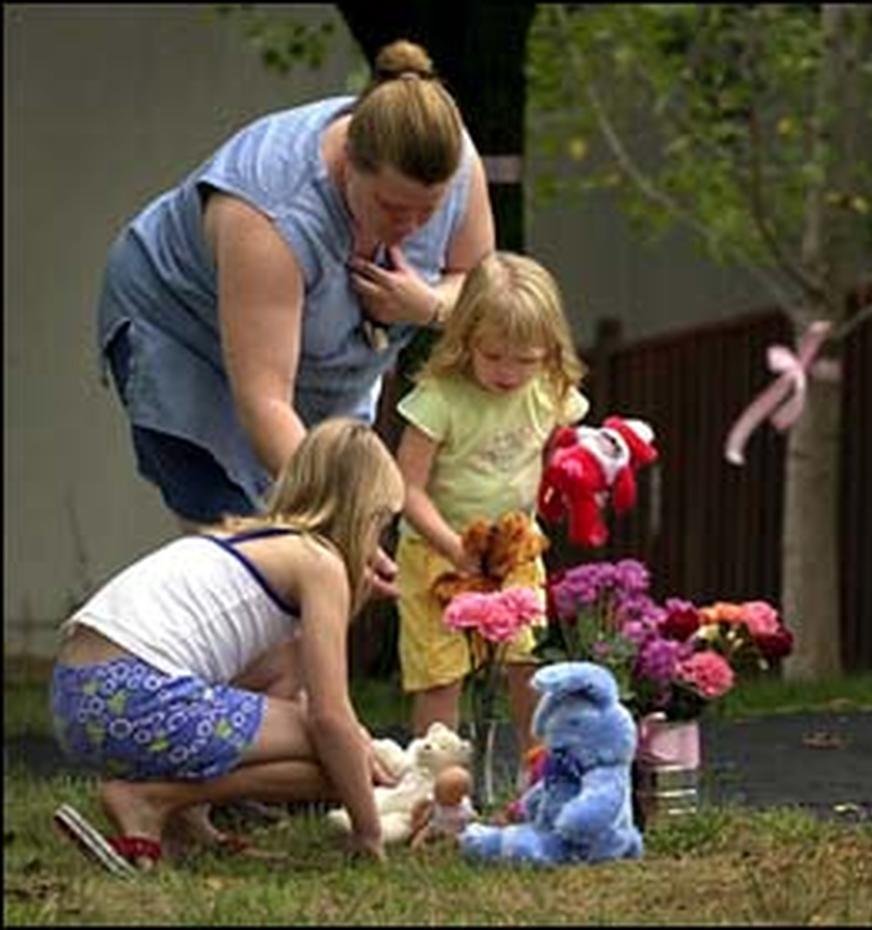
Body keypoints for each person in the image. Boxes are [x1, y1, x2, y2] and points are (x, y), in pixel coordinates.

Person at [97, 38, 494, 539]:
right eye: (393, 208)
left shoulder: (455, 160)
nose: (412, 226)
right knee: (255, 544)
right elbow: (265, 403)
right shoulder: (271, 215)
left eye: (429, 211)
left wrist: (429, 305)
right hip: (186, 335)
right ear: (349, 161)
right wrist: (337, 522)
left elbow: (481, 288)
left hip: (325, 368)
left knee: (334, 543)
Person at [50, 418, 403, 873]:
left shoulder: (246, 538)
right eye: (381, 523)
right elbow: (330, 718)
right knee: (346, 756)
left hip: (79, 700)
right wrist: (369, 831)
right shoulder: (320, 563)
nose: (379, 540)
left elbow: (284, 672)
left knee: (295, 682)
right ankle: (151, 800)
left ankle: (187, 823)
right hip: (133, 699)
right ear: (364, 515)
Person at [393, 251, 589, 777]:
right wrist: (452, 547)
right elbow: (405, 488)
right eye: (494, 355)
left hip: (514, 548)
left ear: (549, 350)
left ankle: (537, 777)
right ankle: (438, 788)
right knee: (441, 674)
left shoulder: (549, 390)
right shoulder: (440, 398)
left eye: (526, 360)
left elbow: (563, 453)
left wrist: (585, 470)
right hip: (437, 551)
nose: (509, 372)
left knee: (528, 663)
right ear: (465, 340)